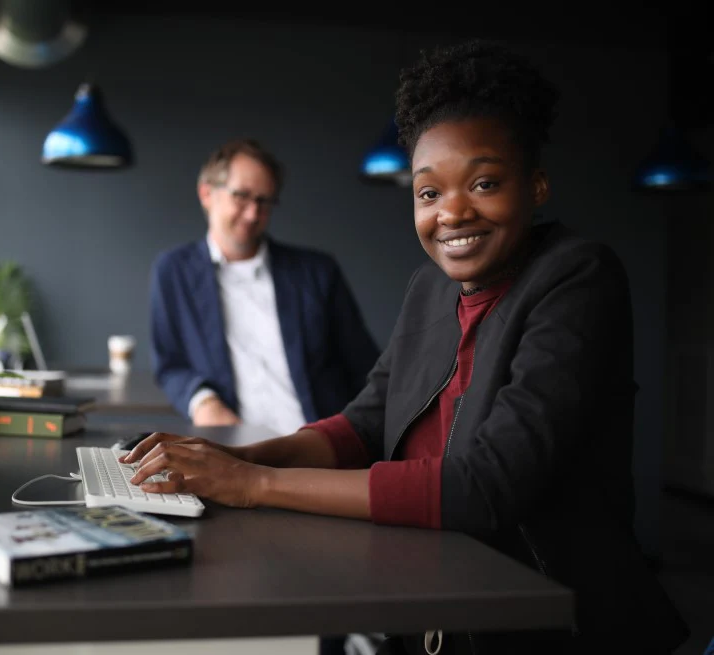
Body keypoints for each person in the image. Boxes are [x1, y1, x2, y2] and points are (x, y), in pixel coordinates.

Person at [128, 41, 689, 654]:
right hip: (425, 598)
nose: (452, 212)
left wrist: (255, 482)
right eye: (428, 192)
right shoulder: (429, 287)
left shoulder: (578, 277)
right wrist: (222, 462)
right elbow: (365, 423)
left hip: (544, 620)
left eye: (484, 182)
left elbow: (484, 488)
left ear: (536, 184)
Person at [149, 138, 380, 435]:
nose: (252, 214)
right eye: (241, 196)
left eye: (264, 201)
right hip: (232, 450)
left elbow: (365, 367)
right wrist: (203, 402)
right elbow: (170, 364)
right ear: (207, 193)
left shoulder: (317, 272)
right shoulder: (174, 271)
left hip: (317, 448)